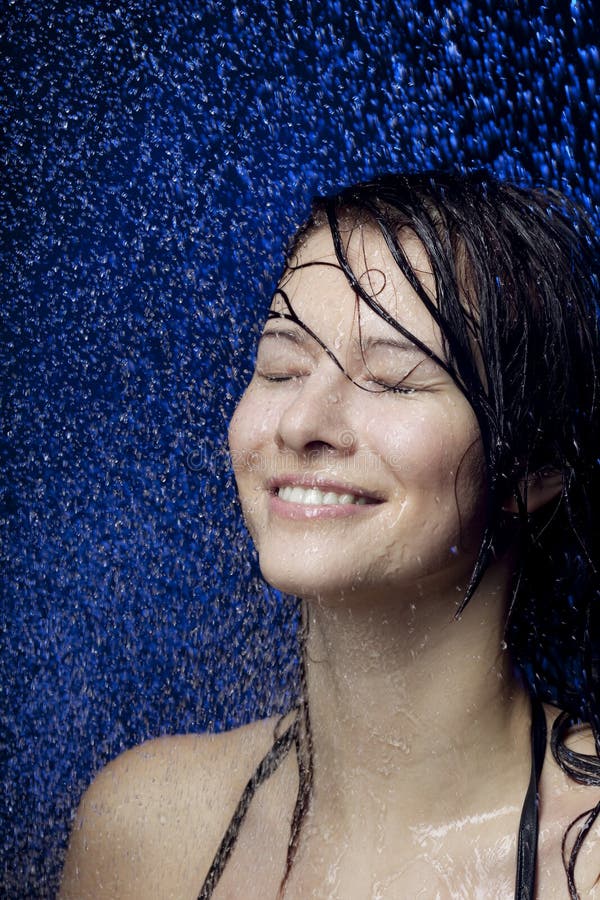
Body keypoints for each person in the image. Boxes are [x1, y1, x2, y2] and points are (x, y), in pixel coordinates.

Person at [60, 171, 600, 899]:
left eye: (393, 379)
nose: (300, 423)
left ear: (531, 469)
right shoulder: (146, 831)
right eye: (281, 368)